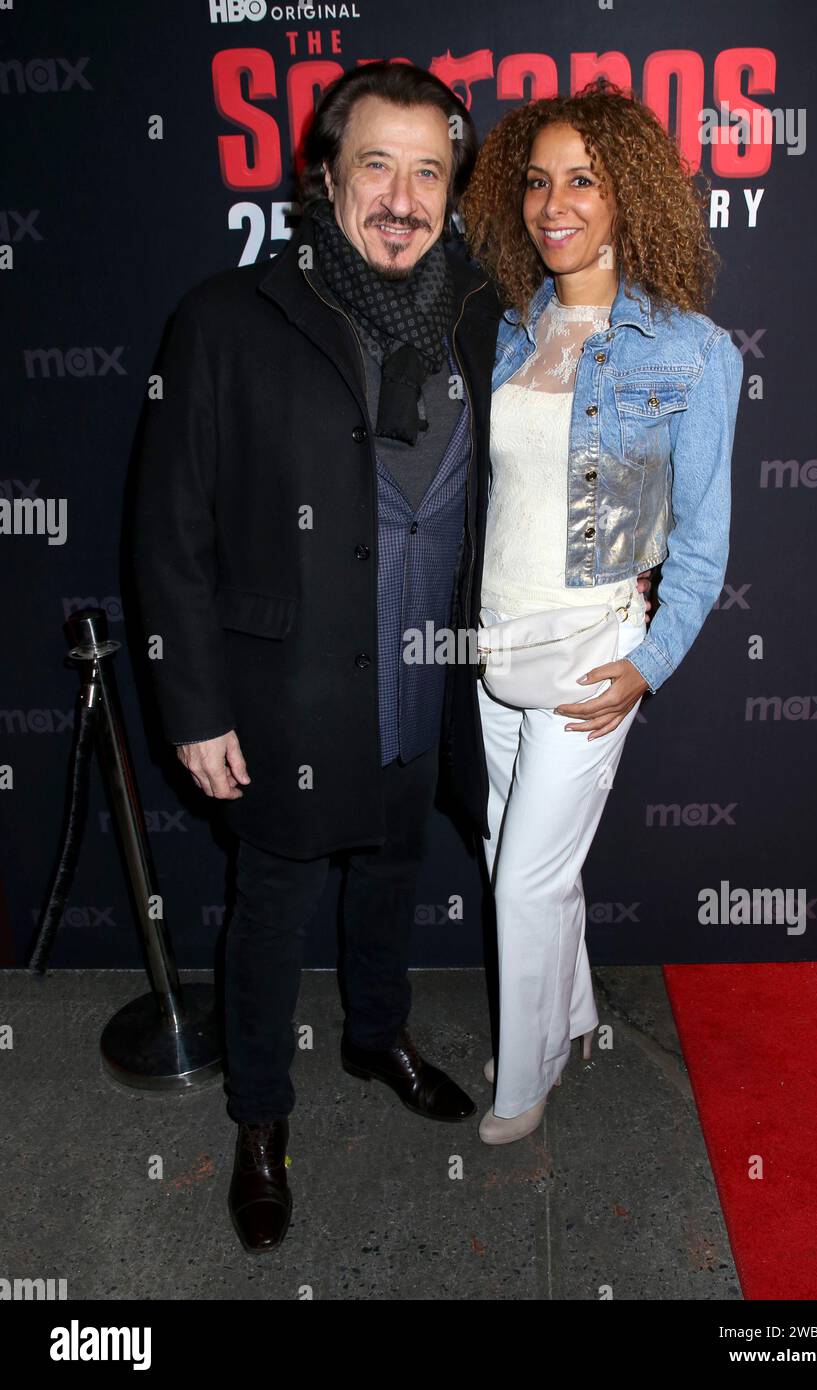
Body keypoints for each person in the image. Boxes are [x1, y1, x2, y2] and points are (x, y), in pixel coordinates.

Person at [132, 60, 506, 1255]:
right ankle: (258, 1119)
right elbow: (169, 531)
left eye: (427, 171)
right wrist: (194, 704)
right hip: (283, 693)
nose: (401, 197)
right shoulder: (228, 319)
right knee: (274, 910)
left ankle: (376, 1031)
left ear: (452, 188)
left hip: (426, 676)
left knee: (392, 869)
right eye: (375, 167)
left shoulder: (482, 312)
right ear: (326, 178)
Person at [453, 78, 744, 1144]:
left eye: (582, 178)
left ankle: (522, 1084)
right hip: (492, 642)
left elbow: (705, 545)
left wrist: (649, 662)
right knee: (511, 855)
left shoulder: (692, 352)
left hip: (591, 650)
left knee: (527, 880)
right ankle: (568, 1015)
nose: (553, 202)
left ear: (629, 196)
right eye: (535, 180)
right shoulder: (502, 327)